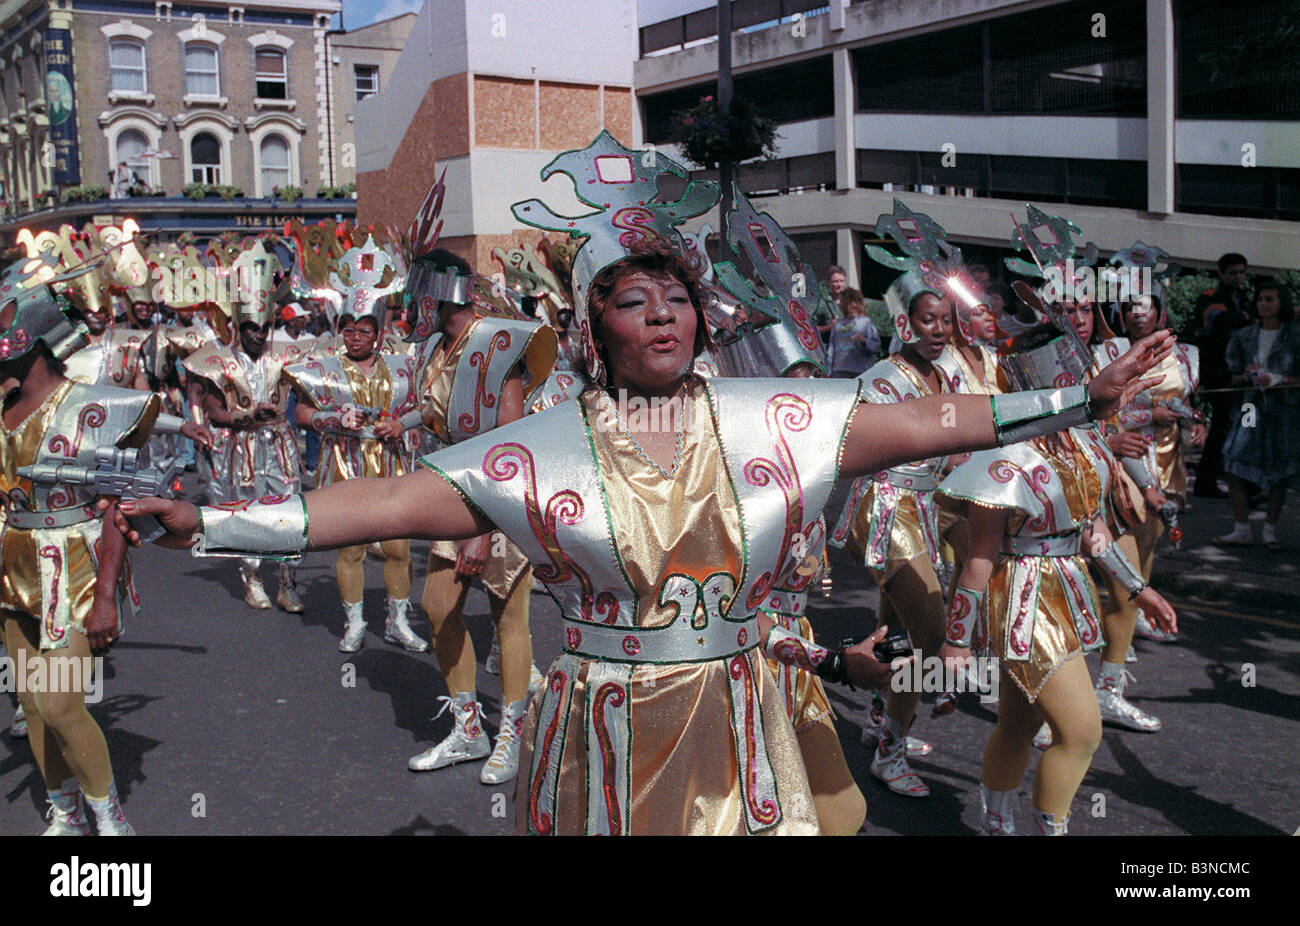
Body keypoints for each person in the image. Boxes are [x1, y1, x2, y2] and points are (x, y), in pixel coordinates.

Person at [110, 135, 1170, 836]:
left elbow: (928, 422)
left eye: (676, 295)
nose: (661, 312)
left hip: (748, 710)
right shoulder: (544, 448)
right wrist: (209, 519)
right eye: (632, 299)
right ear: (592, 329)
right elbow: (381, 503)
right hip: (606, 724)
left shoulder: (778, 421)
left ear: (703, 319)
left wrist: (1072, 399)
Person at [938, 310, 1179, 835]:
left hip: (1066, 593)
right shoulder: (1006, 456)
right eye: (1073, 382)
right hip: (1022, 597)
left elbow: (1094, 535)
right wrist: (956, 645)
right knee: (1082, 731)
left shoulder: (1088, 446)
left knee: (1019, 722)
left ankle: (997, 826)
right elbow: (980, 556)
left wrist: (1141, 591)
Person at [0, 255, 160, 835]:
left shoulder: (97, 407)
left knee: (62, 704)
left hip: (74, 569)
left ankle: (109, 817)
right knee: (36, 709)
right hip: (12, 570)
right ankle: (64, 812)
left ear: (33, 340)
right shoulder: (0, 410)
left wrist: (107, 597)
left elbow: (119, 507)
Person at [285, 250, 428, 654]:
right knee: (351, 548)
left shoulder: (403, 368)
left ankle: (398, 621)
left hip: (390, 464)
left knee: (399, 548)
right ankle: (354, 621)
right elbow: (300, 412)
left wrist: (402, 424)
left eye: (364, 331)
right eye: (349, 331)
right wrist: (331, 420)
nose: (356, 338)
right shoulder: (324, 368)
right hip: (344, 463)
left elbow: (427, 405)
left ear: (377, 333)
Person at [180, 238, 313, 612]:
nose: (259, 334)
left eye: (265, 327)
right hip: (243, 449)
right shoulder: (219, 361)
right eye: (252, 327)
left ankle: (288, 583)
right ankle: (252, 579)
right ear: (239, 327)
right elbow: (213, 409)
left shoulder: (283, 355)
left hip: (282, 447)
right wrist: (247, 417)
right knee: (249, 512)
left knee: (290, 512)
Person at [1217, 284, 1299, 550]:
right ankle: (1242, 529)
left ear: (1281, 303)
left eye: (1270, 299)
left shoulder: (1295, 337)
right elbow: (1233, 374)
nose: (1263, 303)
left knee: (1280, 468)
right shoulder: (1244, 335)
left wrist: (1279, 379)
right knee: (1234, 458)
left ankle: (1270, 531)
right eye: (1260, 299)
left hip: (1281, 409)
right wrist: (1246, 376)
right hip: (1251, 407)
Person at [1192, 253, 1252, 498]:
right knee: (1222, 427)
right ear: (1222, 274)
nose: (1238, 277)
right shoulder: (1210, 298)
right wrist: (1247, 319)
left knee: (1249, 424)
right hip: (1219, 375)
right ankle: (1206, 482)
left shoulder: (1245, 299)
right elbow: (1218, 321)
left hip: (1245, 376)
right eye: (1233, 272)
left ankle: (1249, 482)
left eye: (1241, 272)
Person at [825, 289, 880, 378]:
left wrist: (864, 341)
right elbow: (831, 349)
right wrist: (828, 370)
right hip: (839, 371)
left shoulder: (865, 323)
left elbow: (876, 347)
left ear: (850, 302)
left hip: (859, 371)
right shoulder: (838, 324)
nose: (838, 303)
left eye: (841, 300)